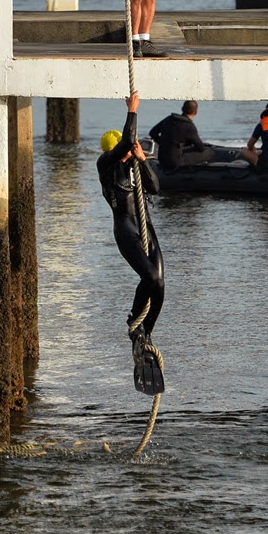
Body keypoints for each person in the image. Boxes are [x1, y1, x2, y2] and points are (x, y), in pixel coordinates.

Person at [98, 91, 165, 394]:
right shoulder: (105, 165)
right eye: (124, 152)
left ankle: (145, 333)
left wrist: (143, 160)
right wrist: (132, 111)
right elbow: (125, 142)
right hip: (125, 228)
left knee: (160, 283)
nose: (127, 154)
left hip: (146, 227)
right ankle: (134, 323)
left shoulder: (133, 166)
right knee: (148, 276)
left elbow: (155, 188)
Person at [148, 99, 218, 169]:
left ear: (182, 109)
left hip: (162, 159)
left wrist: (163, 143)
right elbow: (201, 148)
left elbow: (152, 133)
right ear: (196, 112)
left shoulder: (169, 119)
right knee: (209, 152)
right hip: (175, 162)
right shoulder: (189, 126)